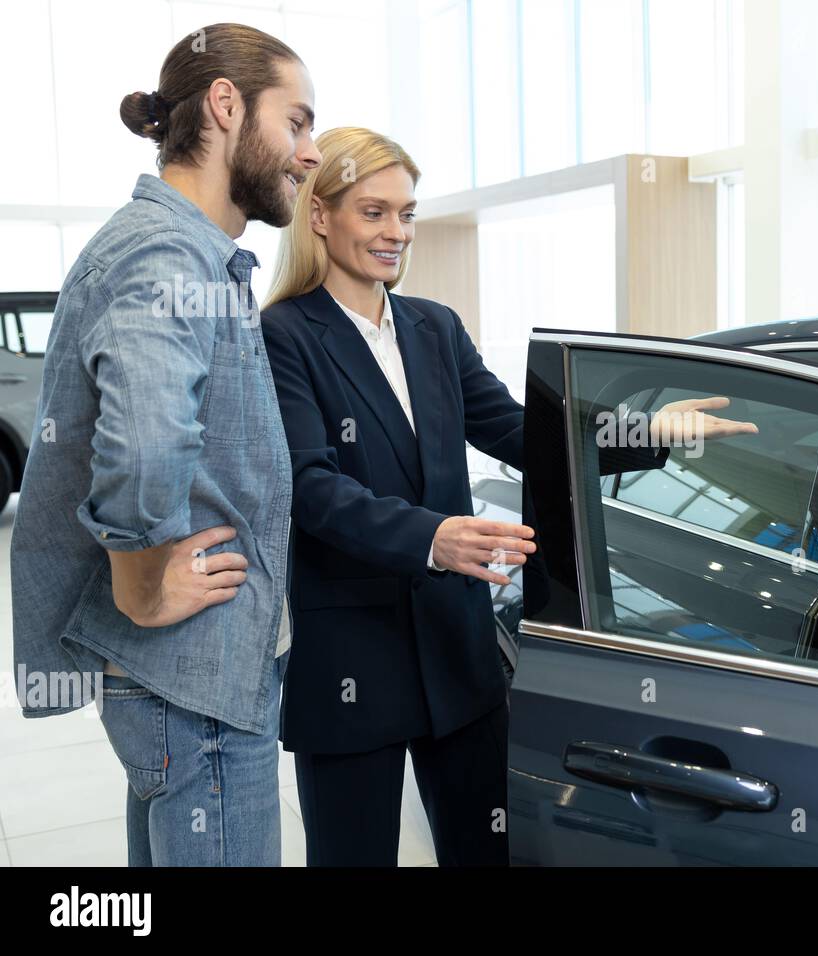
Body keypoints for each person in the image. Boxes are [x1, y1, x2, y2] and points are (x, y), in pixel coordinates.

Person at [261, 127, 757, 865]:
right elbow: (311, 487)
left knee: (486, 851)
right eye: (374, 212)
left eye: (407, 213)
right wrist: (434, 538)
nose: (397, 232)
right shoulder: (283, 334)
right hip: (352, 657)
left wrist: (643, 432)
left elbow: (523, 432)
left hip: (455, 650)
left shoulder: (434, 328)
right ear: (321, 216)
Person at [10, 22, 321, 866]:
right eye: (296, 122)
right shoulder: (167, 252)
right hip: (198, 677)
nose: (310, 152)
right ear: (227, 106)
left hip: (191, 676)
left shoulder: (190, 251)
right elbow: (146, 444)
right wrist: (138, 578)